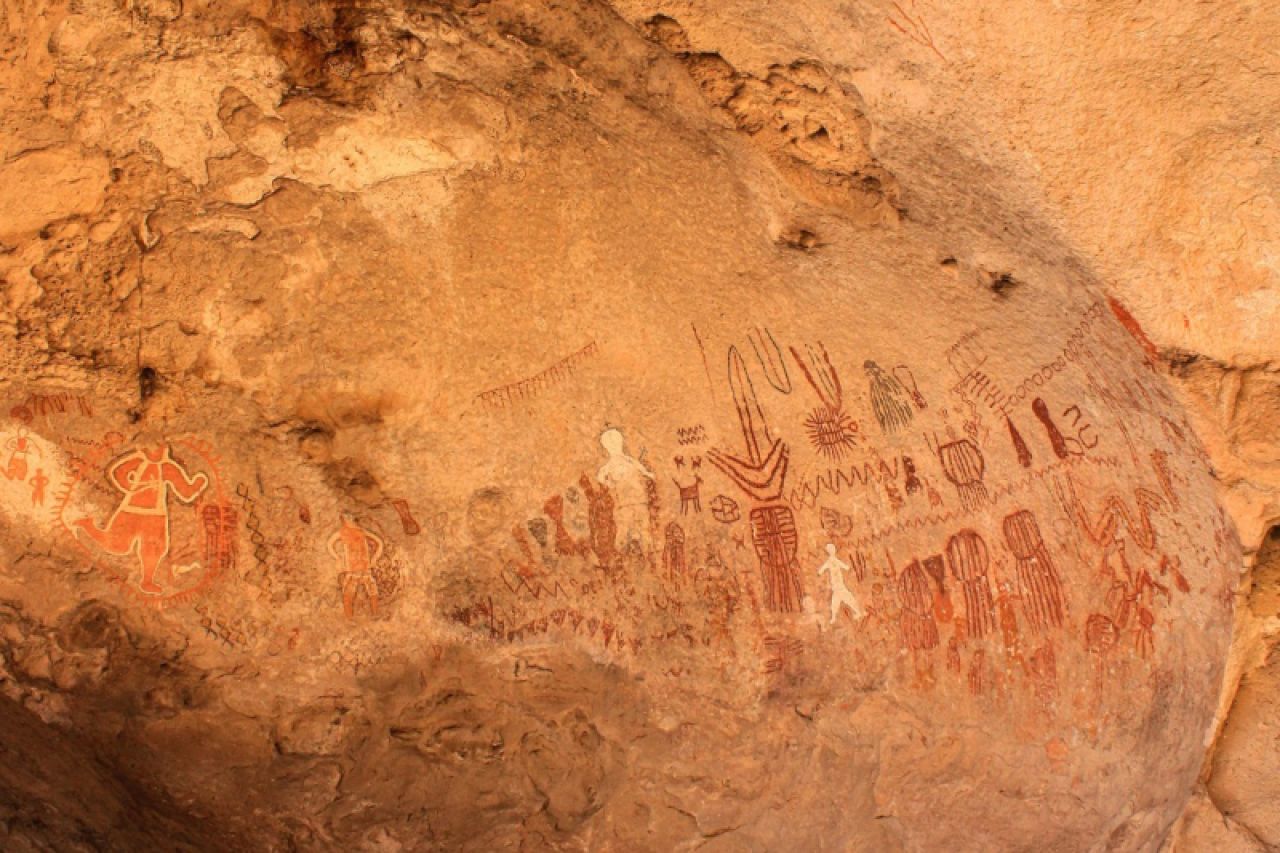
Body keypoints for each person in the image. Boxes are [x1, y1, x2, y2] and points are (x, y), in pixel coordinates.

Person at [74, 443, 208, 594]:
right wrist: (128, 486)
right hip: (130, 511)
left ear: (165, 450)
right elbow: (118, 472)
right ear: (142, 449)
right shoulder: (137, 462)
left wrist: (196, 485)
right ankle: (88, 527)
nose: (155, 452)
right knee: (117, 545)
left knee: (154, 548)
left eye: (159, 449)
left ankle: (147, 580)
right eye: (151, 448)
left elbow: (185, 491)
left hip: (155, 515)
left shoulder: (168, 468)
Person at [595, 428, 655, 550]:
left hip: (633, 503)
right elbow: (601, 479)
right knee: (629, 533)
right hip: (629, 504)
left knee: (638, 533)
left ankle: (646, 556)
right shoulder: (621, 464)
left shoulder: (626, 462)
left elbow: (645, 472)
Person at [328, 515, 384, 618]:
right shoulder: (343, 532)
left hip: (365, 568)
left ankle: (375, 615)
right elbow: (330, 543)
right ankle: (349, 618)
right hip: (352, 570)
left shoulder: (361, 531)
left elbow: (380, 542)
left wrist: (375, 558)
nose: (349, 521)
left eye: (350, 519)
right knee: (348, 594)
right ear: (344, 520)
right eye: (346, 519)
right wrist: (337, 558)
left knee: (373, 592)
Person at [817, 543, 865, 625]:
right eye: (830, 549)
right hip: (836, 586)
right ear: (828, 551)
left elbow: (845, 567)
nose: (832, 551)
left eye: (833, 549)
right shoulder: (829, 562)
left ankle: (857, 612)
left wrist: (848, 568)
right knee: (837, 601)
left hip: (840, 586)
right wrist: (820, 572)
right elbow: (823, 568)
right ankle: (834, 617)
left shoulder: (836, 561)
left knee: (846, 599)